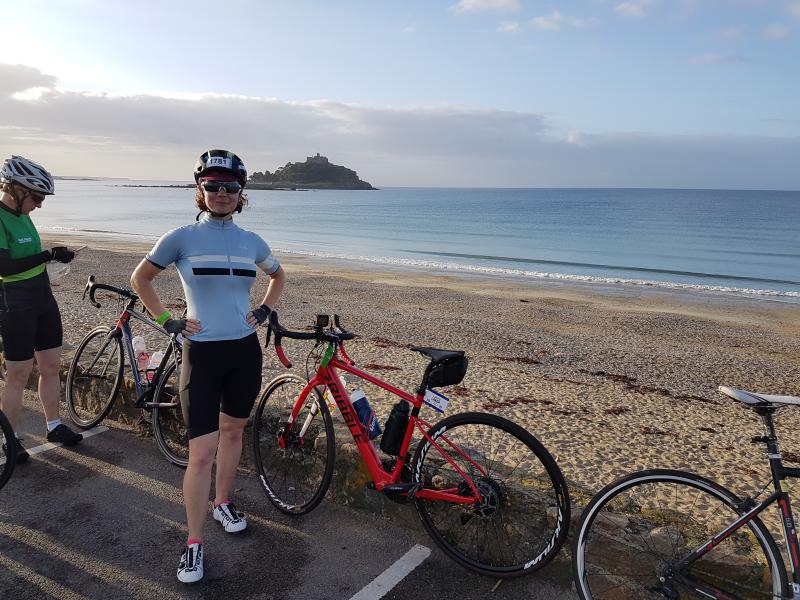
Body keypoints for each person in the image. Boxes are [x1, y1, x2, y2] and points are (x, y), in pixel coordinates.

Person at [130, 149, 286, 584]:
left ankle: (223, 503)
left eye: (230, 187)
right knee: (200, 453)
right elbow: (140, 279)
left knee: (234, 431)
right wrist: (167, 321)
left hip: (244, 351)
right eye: (213, 185)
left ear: (241, 193)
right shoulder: (180, 237)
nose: (221, 193)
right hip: (202, 354)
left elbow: (278, 275)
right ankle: (193, 543)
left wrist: (264, 312)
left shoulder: (251, 241)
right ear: (200, 189)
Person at [0, 155, 83, 462]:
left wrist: (55, 257)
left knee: (50, 366)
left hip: (42, 297)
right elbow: (4, 265)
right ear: (15, 189)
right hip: (15, 300)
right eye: (36, 197)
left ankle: (54, 425)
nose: (39, 204)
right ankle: (11, 438)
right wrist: (47, 254)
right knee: (18, 373)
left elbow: (29, 256)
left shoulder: (24, 215)